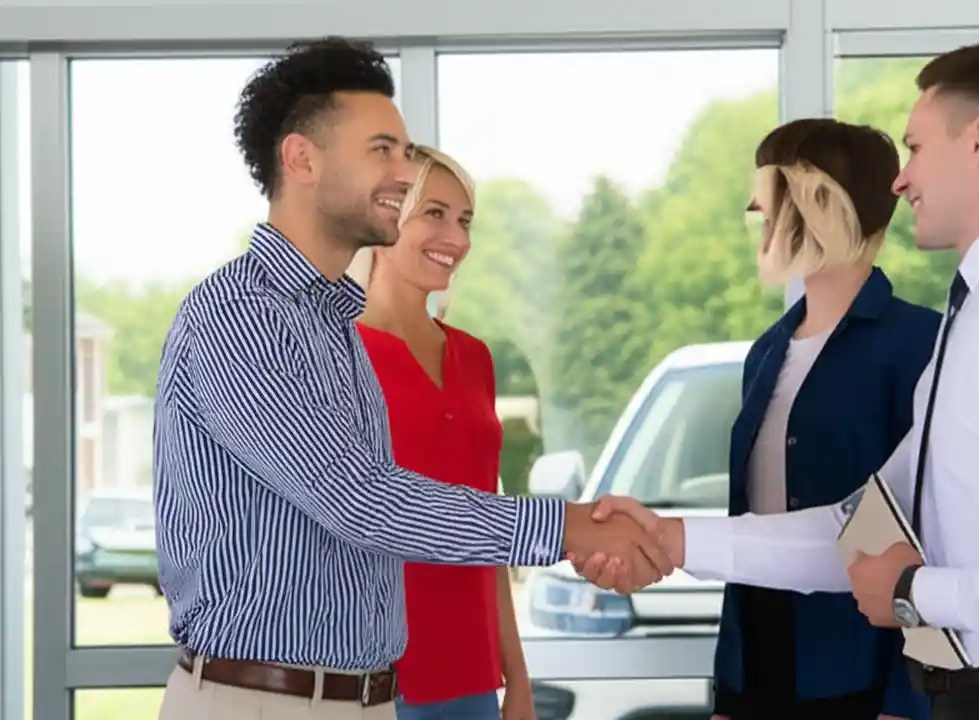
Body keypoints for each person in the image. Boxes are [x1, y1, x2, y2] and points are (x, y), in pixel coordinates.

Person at [581, 39, 979, 720]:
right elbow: (860, 532)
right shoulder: (974, 321)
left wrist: (916, 591)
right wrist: (675, 539)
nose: (899, 180)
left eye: (914, 148)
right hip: (976, 699)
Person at [152, 37, 670, 720]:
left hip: (363, 697)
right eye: (382, 150)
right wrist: (570, 526)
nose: (403, 169)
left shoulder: (332, 326)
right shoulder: (239, 317)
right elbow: (361, 501)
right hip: (264, 702)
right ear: (302, 159)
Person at [710, 119, 936, 720]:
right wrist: (727, 690)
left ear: (817, 200)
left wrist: (904, 701)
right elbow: (748, 523)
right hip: (759, 663)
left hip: (858, 672)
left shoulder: (919, 345)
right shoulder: (766, 352)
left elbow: (929, 536)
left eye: (770, 189)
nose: (754, 205)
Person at [344, 144, 533, 720]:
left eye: (465, 220)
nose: (457, 237)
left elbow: (488, 522)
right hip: (370, 677)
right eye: (435, 213)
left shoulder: (474, 358)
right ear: (387, 215)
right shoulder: (337, 354)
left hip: (472, 675)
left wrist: (518, 680)